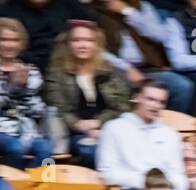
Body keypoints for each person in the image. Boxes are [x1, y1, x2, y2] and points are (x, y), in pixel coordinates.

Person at [43, 20, 131, 167]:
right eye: (76, 40)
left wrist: (98, 123)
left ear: (96, 44)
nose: (83, 45)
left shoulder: (109, 71)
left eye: (89, 40)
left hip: (107, 130)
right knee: (92, 151)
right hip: (74, 132)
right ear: (68, 44)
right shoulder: (56, 73)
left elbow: (122, 106)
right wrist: (79, 125)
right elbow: (57, 107)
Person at [96, 78, 188, 190]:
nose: (156, 105)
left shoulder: (170, 134)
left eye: (161, 102)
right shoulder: (113, 128)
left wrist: (166, 186)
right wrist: (147, 183)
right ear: (137, 97)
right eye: (151, 99)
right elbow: (107, 174)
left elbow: (180, 177)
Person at [0, 18, 51, 169]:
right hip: (2, 130)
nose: (9, 45)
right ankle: (13, 189)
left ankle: (42, 187)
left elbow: (35, 109)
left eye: (15, 40)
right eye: (3, 39)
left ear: (21, 43)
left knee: (46, 150)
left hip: (26, 129)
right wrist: (12, 88)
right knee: (15, 148)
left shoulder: (31, 71)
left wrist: (25, 92)